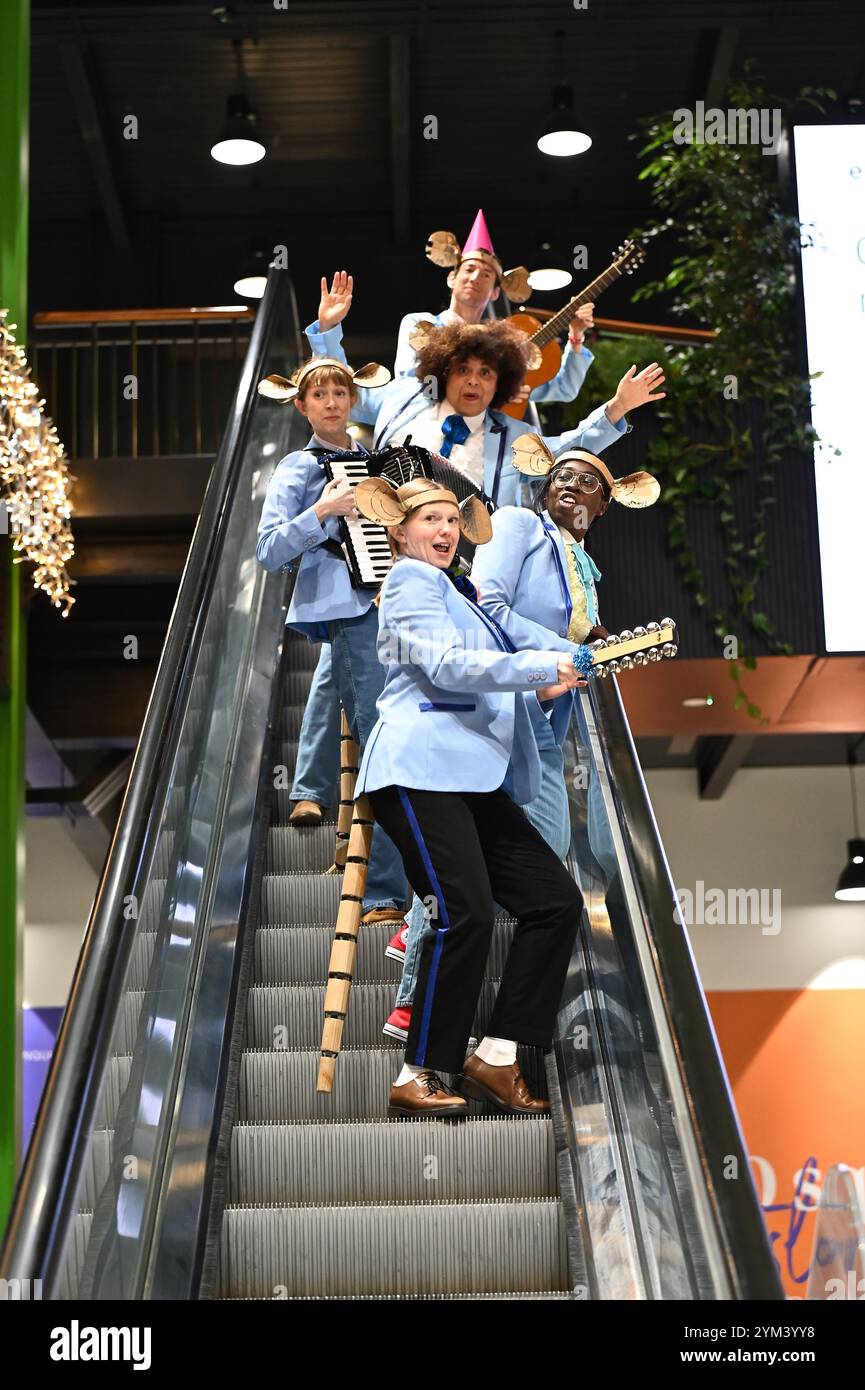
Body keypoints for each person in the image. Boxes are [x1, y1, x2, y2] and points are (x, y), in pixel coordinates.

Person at [389, 437, 663, 1037]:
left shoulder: (582, 564)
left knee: (549, 850)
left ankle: (482, 1008)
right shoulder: (516, 524)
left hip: (544, 715)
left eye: (587, 482)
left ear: (607, 504)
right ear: (542, 487)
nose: (570, 485)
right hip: (503, 709)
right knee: (483, 854)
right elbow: (491, 610)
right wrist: (570, 658)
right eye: (560, 476)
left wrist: (589, 649)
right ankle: (415, 984)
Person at [351, 473, 589, 1117]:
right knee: (467, 912)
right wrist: (543, 666)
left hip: (473, 777)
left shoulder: (464, 595)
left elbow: (481, 682)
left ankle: (500, 1054)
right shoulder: (406, 583)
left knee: (555, 901)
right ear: (398, 533)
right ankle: (418, 1070)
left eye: (451, 521)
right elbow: (448, 667)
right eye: (429, 520)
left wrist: (544, 685)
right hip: (418, 770)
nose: (445, 530)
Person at [255, 354, 406, 925]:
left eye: (340, 393)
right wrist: (323, 510)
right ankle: (385, 890)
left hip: (394, 605)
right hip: (349, 612)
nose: (332, 402)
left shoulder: (375, 459)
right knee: (381, 740)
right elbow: (268, 549)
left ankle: (392, 884)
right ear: (302, 406)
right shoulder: (299, 467)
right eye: (319, 395)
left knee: (397, 734)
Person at [305, 272, 662, 508]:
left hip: (470, 576)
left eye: (486, 373)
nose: (474, 381)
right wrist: (327, 331)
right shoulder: (401, 397)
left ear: (501, 385)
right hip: (384, 554)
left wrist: (616, 407)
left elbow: (569, 447)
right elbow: (342, 395)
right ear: (445, 372)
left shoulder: (516, 439)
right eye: (463, 370)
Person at [393, 208, 595, 408]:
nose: (475, 278)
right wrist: (492, 391)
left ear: (496, 292)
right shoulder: (420, 324)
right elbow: (409, 382)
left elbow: (564, 389)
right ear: (452, 278)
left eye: (486, 274)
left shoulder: (499, 345)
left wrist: (576, 337)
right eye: (469, 269)